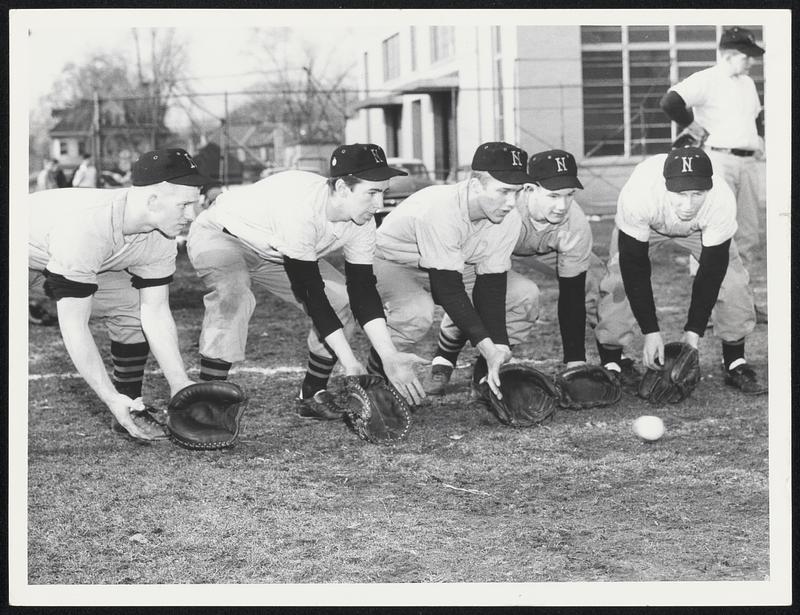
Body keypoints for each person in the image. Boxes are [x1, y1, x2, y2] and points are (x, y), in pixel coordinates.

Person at [186, 143, 426, 419]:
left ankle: (311, 395)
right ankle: (207, 401)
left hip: (279, 252)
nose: (379, 204)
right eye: (371, 193)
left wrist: (389, 356)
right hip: (223, 235)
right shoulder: (301, 209)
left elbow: (362, 290)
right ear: (342, 189)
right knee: (234, 292)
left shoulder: (362, 221)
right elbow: (312, 294)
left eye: (383, 193)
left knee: (342, 302)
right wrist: (349, 362)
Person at [29, 148, 214, 440]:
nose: (193, 215)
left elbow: (154, 310)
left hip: (71, 257)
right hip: (23, 254)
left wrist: (179, 382)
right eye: (185, 205)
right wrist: (107, 396)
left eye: (197, 203)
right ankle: (118, 403)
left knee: (132, 307)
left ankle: (129, 406)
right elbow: (74, 324)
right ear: (153, 200)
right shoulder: (88, 226)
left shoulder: (161, 231)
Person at [422, 149, 617, 395]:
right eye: (554, 195)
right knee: (483, 287)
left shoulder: (573, 222)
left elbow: (572, 294)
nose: (563, 205)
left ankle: (613, 361)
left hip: (543, 245)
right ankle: (445, 357)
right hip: (494, 244)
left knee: (594, 277)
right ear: (528, 189)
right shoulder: (504, 205)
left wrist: (575, 361)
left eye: (570, 195)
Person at [594, 147, 766, 395]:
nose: (688, 204)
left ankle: (735, 362)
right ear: (665, 186)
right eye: (681, 193)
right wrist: (651, 332)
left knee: (733, 281)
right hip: (649, 224)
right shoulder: (640, 194)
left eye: (697, 193)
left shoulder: (720, 199)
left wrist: (693, 333)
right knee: (618, 281)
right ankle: (612, 362)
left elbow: (711, 272)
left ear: (709, 186)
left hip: (698, 229)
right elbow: (635, 270)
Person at [373, 142, 535, 401]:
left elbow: (491, 286)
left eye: (517, 192)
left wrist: (498, 346)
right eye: (503, 191)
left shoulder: (508, 216)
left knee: (523, 293)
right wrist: (486, 343)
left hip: (456, 263)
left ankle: (486, 377)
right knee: (416, 311)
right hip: (394, 261)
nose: (510, 202)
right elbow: (446, 290)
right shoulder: (440, 207)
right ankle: (377, 374)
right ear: (475, 184)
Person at [660, 26, 767, 322]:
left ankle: (741, 302)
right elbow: (670, 102)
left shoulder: (747, 83)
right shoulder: (707, 79)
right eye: (747, 56)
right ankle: (705, 304)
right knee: (712, 232)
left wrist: (759, 141)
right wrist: (694, 129)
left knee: (745, 235)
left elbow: (756, 117)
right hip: (718, 160)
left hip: (748, 162)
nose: (752, 62)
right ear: (729, 55)